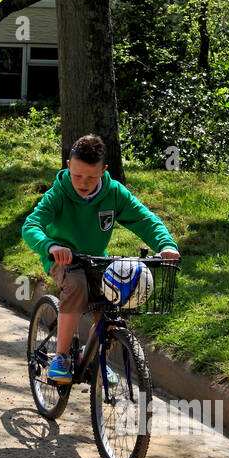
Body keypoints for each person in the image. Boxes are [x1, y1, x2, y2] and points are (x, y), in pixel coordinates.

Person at [21, 134, 180, 385]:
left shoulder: (114, 193)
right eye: (77, 175)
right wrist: (51, 245)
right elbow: (31, 226)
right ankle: (60, 358)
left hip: (96, 260)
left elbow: (145, 220)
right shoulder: (59, 193)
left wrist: (166, 245)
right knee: (77, 285)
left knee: (114, 301)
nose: (83, 183)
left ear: (104, 171)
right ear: (68, 166)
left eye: (91, 177)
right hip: (63, 260)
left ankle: (95, 358)